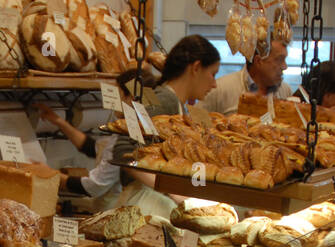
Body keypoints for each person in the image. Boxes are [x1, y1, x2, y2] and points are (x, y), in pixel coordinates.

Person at [37, 35, 220, 216]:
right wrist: (172, 191)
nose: (214, 84)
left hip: (151, 201)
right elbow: (123, 152)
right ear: (196, 68)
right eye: (212, 74)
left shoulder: (173, 103)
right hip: (145, 203)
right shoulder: (163, 101)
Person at [198, 37, 290, 115]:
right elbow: (193, 126)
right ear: (258, 61)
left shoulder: (285, 91)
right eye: (279, 60)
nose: (284, 66)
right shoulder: (219, 90)